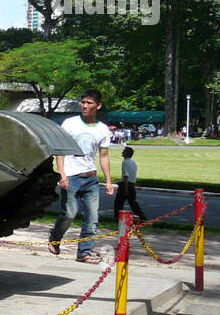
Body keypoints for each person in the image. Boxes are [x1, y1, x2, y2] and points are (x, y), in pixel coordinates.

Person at [49, 88, 115, 263]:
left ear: (98, 106)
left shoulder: (102, 129)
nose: (85, 106)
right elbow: (60, 151)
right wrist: (62, 174)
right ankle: (55, 237)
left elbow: (104, 156)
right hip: (71, 177)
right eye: (83, 102)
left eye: (89, 103)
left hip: (91, 179)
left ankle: (84, 252)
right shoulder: (70, 123)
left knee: (92, 219)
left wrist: (108, 180)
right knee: (69, 214)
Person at [112, 146, 147, 222]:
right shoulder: (133, 162)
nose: (122, 152)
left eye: (124, 151)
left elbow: (126, 176)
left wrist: (125, 188)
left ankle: (117, 218)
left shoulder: (125, 162)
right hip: (131, 185)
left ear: (127, 153)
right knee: (133, 204)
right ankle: (143, 218)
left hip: (125, 185)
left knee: (118, 203)